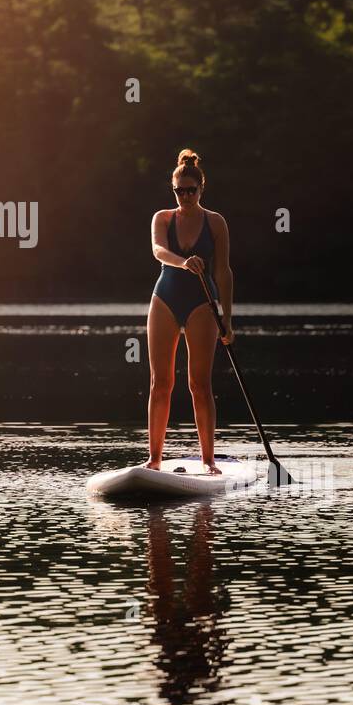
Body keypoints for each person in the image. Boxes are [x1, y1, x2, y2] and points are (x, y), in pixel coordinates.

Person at [146, 149, 234, 473]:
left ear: (201, 189)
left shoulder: (215, 223)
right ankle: (154, 459)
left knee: (199, 384)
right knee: (161, 382)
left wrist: (227, 320)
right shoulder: (163, 218)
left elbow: (223, 272)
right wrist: (183, 262)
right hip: (165, 299)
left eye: (190, 190)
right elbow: (158, 251)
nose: (184, 196)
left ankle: (209, 461)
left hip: (202, 304)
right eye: (178, 191)